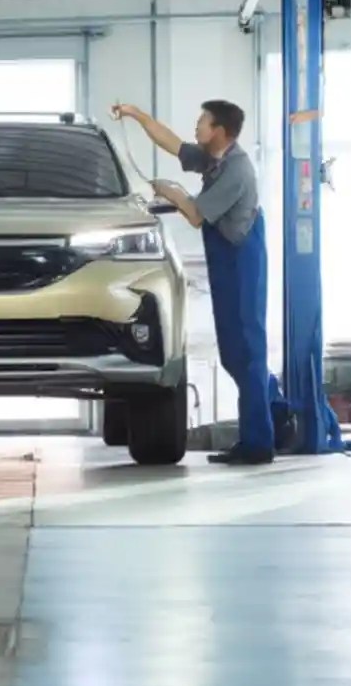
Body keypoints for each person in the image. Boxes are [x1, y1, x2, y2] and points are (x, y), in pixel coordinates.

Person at [113, 99, 279, 464]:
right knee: (234, 352)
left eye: (202, 121)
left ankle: (259, 443)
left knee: (248, 351)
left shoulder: (236, 170)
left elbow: (195, 215)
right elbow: (172, 144)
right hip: (226, 260)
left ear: (219, 131)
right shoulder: (213, 159)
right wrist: (137, 115)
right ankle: (266, 424)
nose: (196, 127)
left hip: (243, 262)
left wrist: (171, 192)